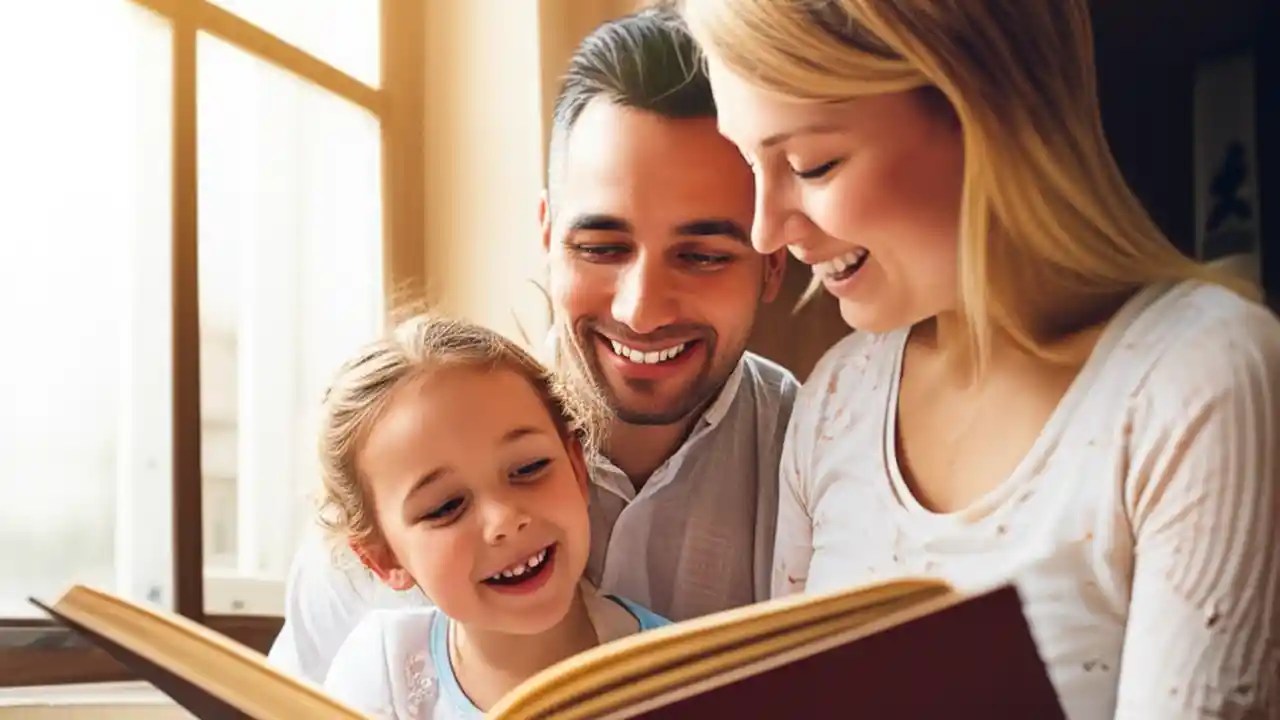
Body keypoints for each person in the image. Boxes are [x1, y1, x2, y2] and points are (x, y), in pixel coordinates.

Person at [679, 0, 1279, 718]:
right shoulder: (837, 400)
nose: (767, 229)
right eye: (751, 163)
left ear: (986, 107)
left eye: (812, 163)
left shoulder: (1199, 381)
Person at [268, 7, 798, 686]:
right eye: (601, 247)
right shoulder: (395, 459)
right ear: (547, 231)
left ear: (773, 259)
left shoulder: (812, 455)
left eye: (701, 256)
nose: (640, 309)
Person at [316, 314, 669, 717]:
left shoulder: (683, 677)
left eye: (528, 468)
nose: (504, 520)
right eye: (445, 507)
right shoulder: (380, 671)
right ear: (384, 559)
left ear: (576, 467)